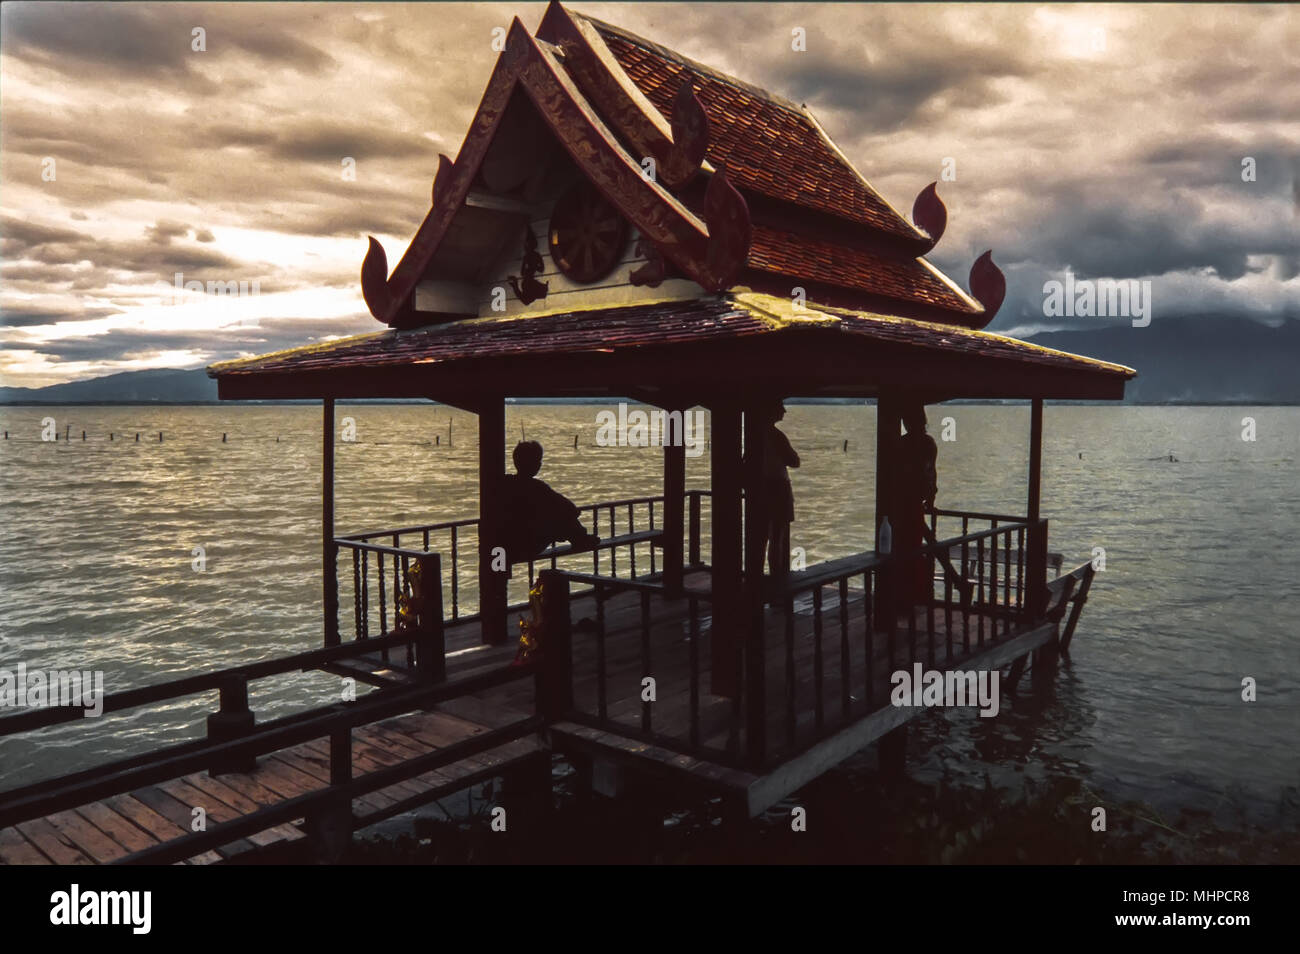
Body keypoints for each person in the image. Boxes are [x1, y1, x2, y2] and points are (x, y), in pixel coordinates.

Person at [500, 440, 598, 564]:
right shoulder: (537, 487)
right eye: (538, 460)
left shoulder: (507, 482)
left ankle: (580, 537)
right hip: (527, 543)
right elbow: (571, 509)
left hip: (509, 541)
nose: (540, 464)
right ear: (535, 464)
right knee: (563, 517)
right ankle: (580, 538)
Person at [746, 401, 800, 597]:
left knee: (759, 538)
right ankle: (777, 581)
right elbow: (795, 461)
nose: (784, 410)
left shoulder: (754, 436)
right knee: (777, 538)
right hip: (777, 489)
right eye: (780, 407)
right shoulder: (776, 436)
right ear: (771, 412)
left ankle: (756, 580)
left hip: (760, 490)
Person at [898, 403, 938, 606]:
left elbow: (927, 474)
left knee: (906, 550)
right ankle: (913, 595)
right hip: (914, 502)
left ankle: (906, 595)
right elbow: (930, 475)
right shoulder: (927, 443)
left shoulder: (903, 443)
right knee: (914, 549)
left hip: (904, 503)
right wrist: (930, 500)